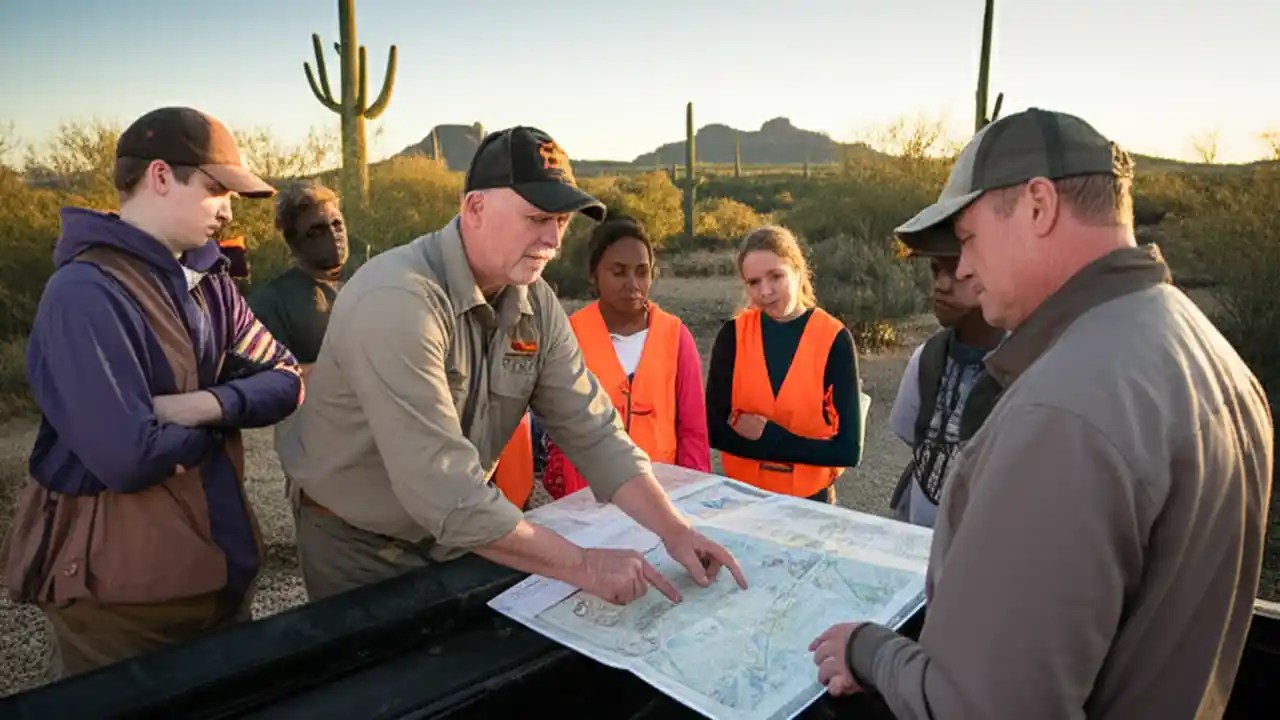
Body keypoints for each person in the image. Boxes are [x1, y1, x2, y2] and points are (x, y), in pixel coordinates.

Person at [809, 108, 1273, 719]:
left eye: (969, 238)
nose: (965, 268)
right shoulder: (1202, 346)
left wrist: (869, 649)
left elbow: (982, 709)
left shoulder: (1064, 411)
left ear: (1037, 206)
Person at [275, 126, 747, 604]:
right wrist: (583, 565)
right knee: (380, 675)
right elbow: (443, 488)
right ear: (474, 209)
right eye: (537, 218)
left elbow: (594, 430)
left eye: (561, 222)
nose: (553, 241)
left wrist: (674, 529)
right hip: (358, 543)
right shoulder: (398, 301)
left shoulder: (534, 302)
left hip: (456, 532)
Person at [1, 106, 304, 678]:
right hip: (120, 599)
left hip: (217, 573)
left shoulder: (210, 281)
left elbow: (286, 380)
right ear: (161, 176)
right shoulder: (84, 294)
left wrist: (204, 406)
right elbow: (128, 456)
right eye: (216, 189)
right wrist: (229, 414)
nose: (228, 208)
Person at [540, 215, 711, 499]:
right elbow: (555, 426)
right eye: (618, 272)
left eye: (642, 272)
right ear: (594, 275)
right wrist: (566, 490)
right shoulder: (569, 335)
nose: (632, 284)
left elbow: (693, 431)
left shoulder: (676, 336)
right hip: (587, 498)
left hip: (663, 499)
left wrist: (689, 496)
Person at [705, 225, 863, 504]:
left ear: (798, 270)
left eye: (775, 276)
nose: (765, 291)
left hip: (810, 500)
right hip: (744, 497)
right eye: (753, 282)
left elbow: (848, 451)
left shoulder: (833, 338)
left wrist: (770, 437)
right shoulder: (734, 335)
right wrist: (802, 449)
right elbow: (714, 429)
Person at [886, 249, 1004, 527]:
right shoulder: (926, 358)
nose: (941, 284)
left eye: (959, 271)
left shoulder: (1027, 364)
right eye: (936, 269)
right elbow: (911, 435)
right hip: (920, 531)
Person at [247, 181, 351, 377]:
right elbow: (268, 376)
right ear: (293, 242)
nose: (332, 235)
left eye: (337, 224)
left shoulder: (363, 282)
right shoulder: (271, 304)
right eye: (316, 231)